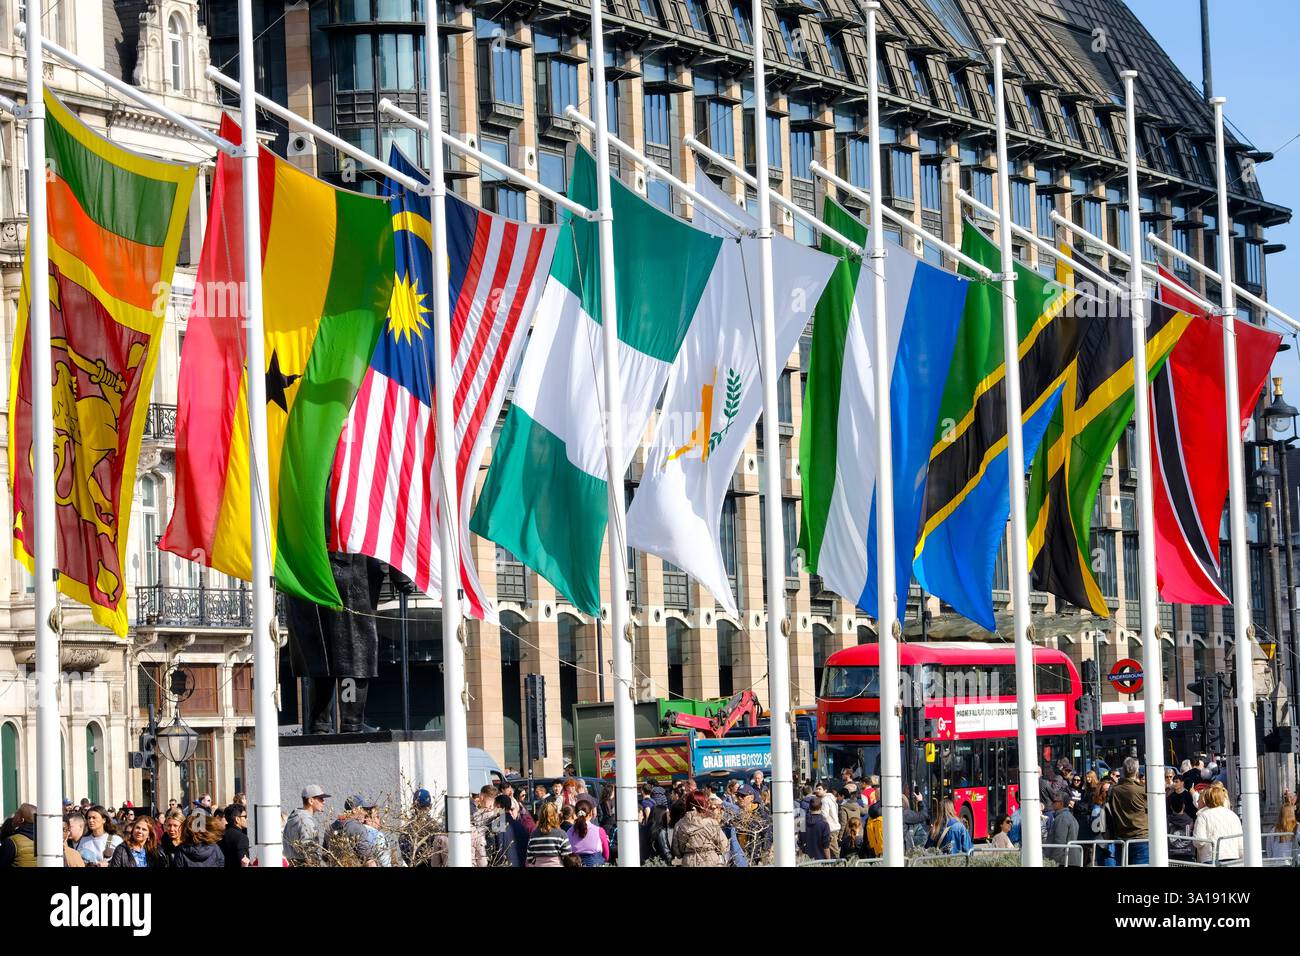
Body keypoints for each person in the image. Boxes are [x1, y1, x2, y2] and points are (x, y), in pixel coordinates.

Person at [1106, 757, 1149, 865]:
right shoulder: (1141, 790)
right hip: (1140, 838)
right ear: (1137, 771)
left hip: (1122, 837)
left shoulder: (1114, 790)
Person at [668, 790, 727, 867]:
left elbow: (676, 851)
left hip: (689, 861)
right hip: (710, 860)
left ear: (687, 804)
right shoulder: (711, 823)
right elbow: (724, 845)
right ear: (703, 804)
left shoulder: (679, 825)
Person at [1192, 781, 1243, 864]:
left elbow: (1199, 841)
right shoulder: (1233, 815)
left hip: (1211, 857)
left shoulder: (1203, 815)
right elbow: (1240, 840)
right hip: (1232, 856)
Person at [283, 784, 330, 865]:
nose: (324, 802)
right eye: (320, 798)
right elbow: (309, 850)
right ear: (311, 800)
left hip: (292, 863)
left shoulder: (294, 817)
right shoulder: (305, 821)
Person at [330, 794, 378, 866]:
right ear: (354, 810)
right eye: (364, 809)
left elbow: (325, 857)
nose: (365, 813)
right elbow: (367, 860)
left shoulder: (332, 826)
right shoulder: (357, 827)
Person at [485, 794, 530, 867]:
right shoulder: (519, 825)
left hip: (502, 863)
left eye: (494, 806)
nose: (493, 809)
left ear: (498, 806)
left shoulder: (497, 824)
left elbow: (490, 848)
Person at [526, 802, 568, 867]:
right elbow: (567, 856)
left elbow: (529, 858)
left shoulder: (534, 835)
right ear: (556, 816)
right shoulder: (562, 834)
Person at [1045, 794, 1078, 866]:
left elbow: (1059, 843)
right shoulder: (1069, 816)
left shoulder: (1062, 818)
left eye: (1054, 801)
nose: (1052, 803)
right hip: (1070, 860)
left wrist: (1053, 862)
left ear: (1061, 803)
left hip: (1064, 861)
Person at [800, 796, 831, 860]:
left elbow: (801, 843)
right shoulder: (824, 825)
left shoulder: (802, 823)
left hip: (806, 860)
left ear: (809, 807)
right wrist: (829, 860)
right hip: (820, 859)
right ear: (821, 807)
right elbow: (826, 846)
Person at [220, 803, 250, 867]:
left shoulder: (221, 834)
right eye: (245, 817)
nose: (247, 819)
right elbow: (243, 861)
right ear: (237, 819)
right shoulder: (241, 838)